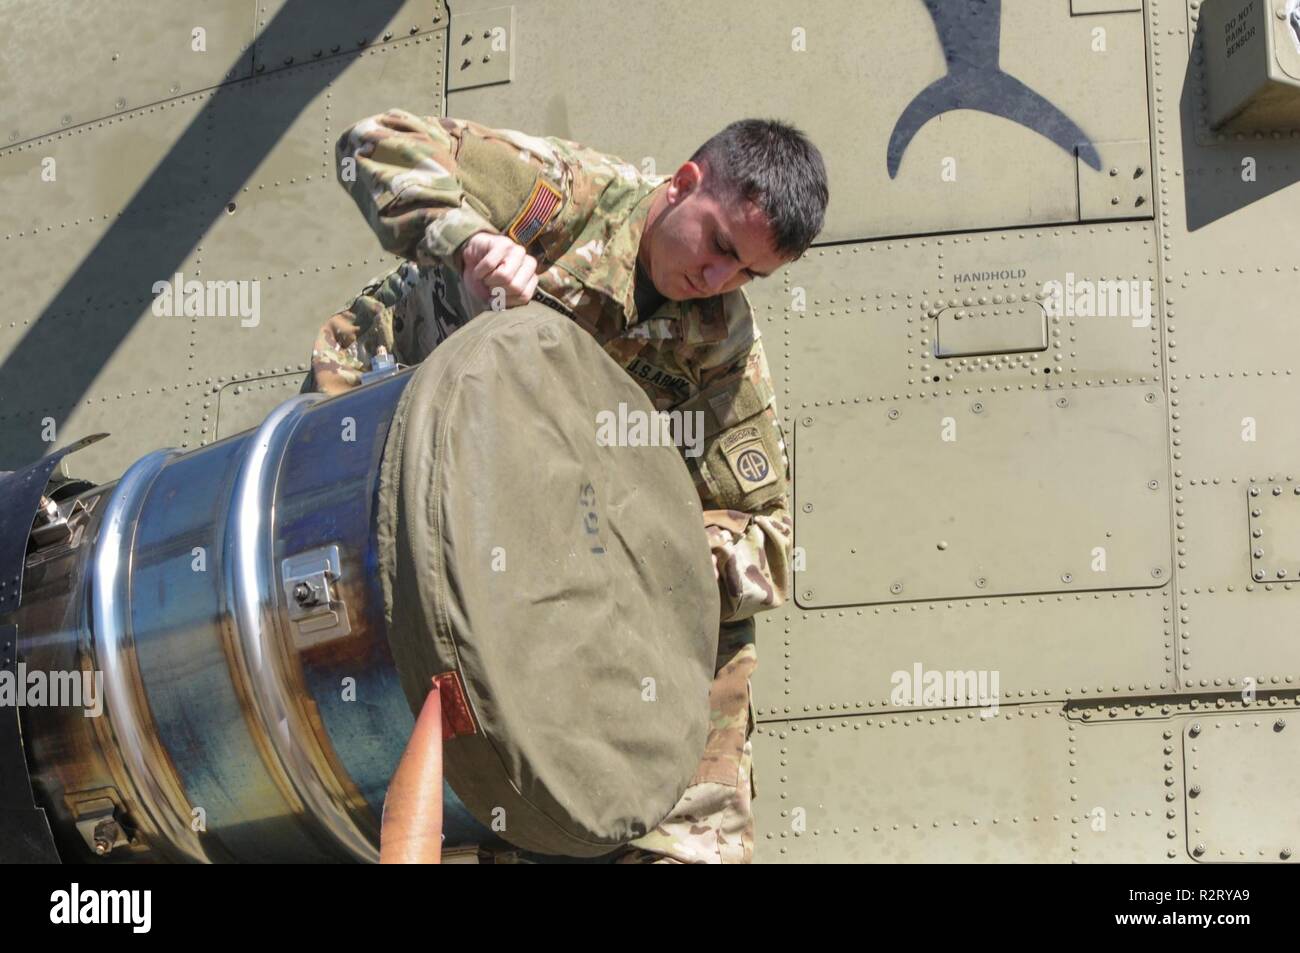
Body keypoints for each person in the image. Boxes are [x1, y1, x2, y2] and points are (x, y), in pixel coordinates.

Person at [312, 110, 828, 863]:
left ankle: (681, 842)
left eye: (748, 271)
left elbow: (765, 531)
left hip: (537, 512)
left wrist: (664, 558)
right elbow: (368, 144)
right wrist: (473, 241)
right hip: (388, 414)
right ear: (683, 185)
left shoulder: (719, 340)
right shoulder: (561, 196)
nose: (717, 279)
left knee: (714, 630)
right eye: (718, 245)